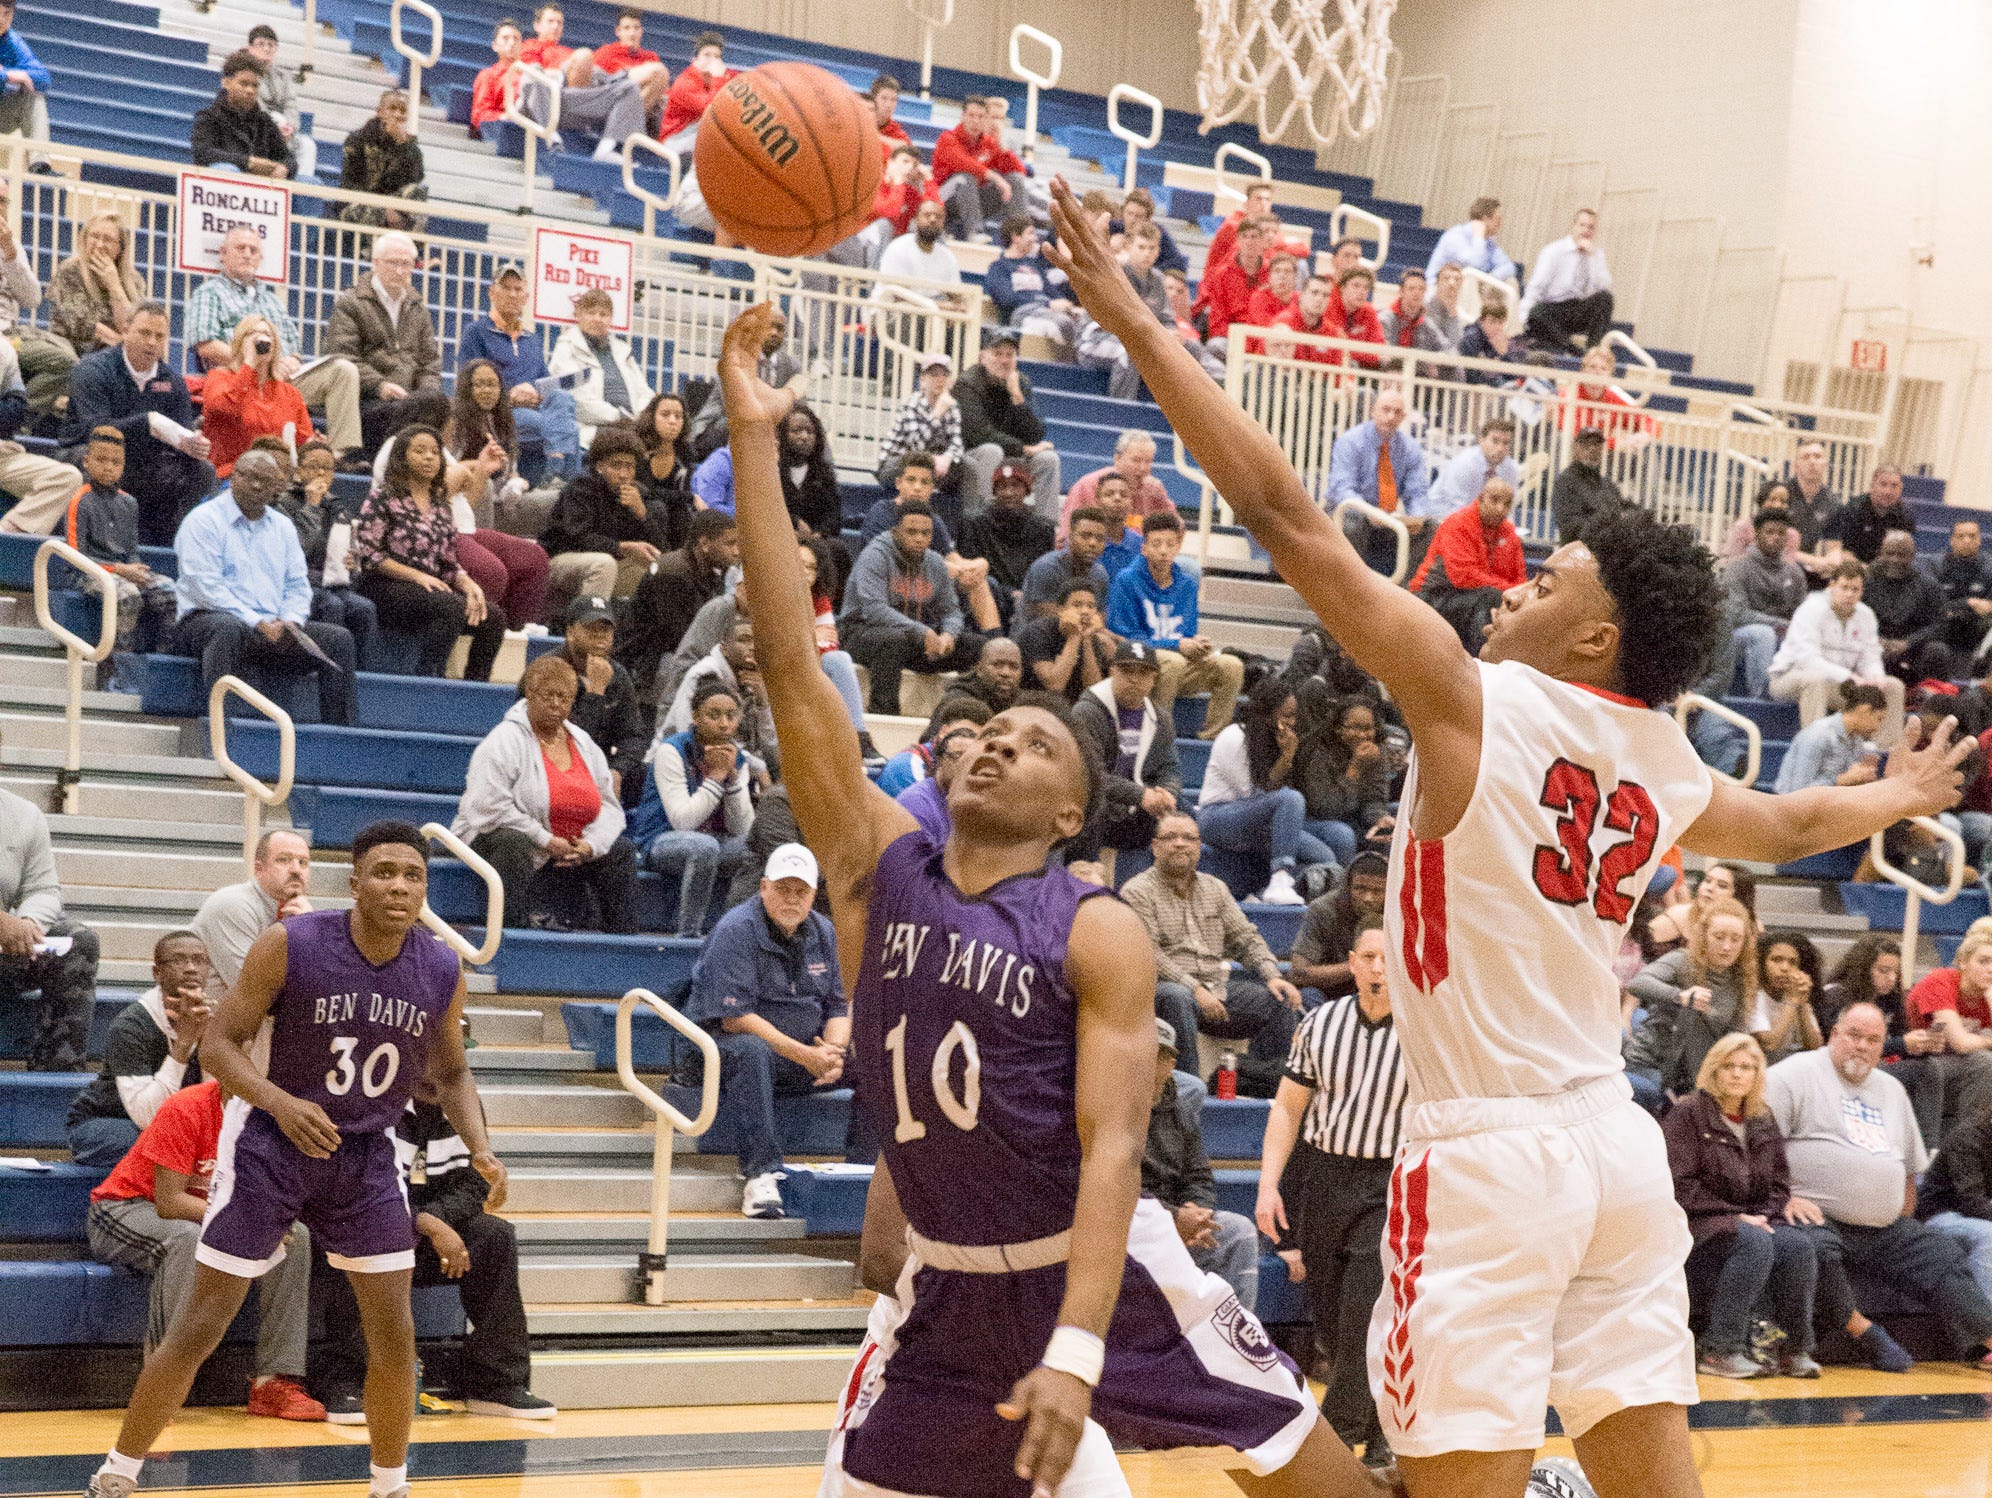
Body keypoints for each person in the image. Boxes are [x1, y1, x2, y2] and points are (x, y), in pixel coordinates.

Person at [1042, 171, 1978, 1495]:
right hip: (1613, 1148)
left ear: (1594, 637)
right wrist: (1895, 796)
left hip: (1488, 1154)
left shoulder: (1469, 696)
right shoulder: (1665, 756)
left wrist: (1142, 324)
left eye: (1552, 582)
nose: (1522, 585)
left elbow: (1287, 519)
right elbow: (1786, 823)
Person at [720, 305, 1383, 1498]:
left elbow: (1114, 1141)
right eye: (984, 734)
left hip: (1103, 1276)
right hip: (947, 1289)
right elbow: (789, 665)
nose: (992, 744)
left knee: (1316, 1479)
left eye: (1031, 742)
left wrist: (1077, 1347)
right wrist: (754, 441)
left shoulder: (1095, 926)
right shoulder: (882, 875)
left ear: (1072, 810)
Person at [85, 821, 506, 1498]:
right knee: (201, 1322)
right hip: (269, 1145)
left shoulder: (440, 967)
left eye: (413, 875)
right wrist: (281, 1103)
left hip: (365, 1154)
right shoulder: (292, 943)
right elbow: (219, 1045)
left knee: (394, 1332)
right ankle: (117, 1471)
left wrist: (482, 1148)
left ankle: (390, 1485)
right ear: (355, 882)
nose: (399, 886)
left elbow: (452, 1072)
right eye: (384, 872)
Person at [1767, 1003, 1992, 1376]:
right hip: (1816, 1213)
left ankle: (1986, 1341)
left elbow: (1908, 1170)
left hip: (1884, 1226)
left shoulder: (1891, 1089)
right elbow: (1758, 1147)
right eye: (1854, 1035)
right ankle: (1868, 1335)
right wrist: (1784, 1197)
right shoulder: (1793, 1074)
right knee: (1813, 1248)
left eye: (1873, 1040)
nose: (1862, 1046)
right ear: (1834, 1034)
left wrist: (1898, 1214)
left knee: (1941, 1255)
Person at [312, 1077, 551, 1420]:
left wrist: (435, 1219)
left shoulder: (464, 1109)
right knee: (360, 1235)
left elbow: (474, 1186)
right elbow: (357, 1187)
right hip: (368, 1223)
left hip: (430, 1240)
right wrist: (426, 1223)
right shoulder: (374, 1103)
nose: (440, 1070)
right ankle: (346, 1381)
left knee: (494, 1236)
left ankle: (495, 1384)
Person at [86, 1080, 326, 1422]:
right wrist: (246, 1219)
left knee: (294, 1236)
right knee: (186, 1240)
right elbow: (169, 1203)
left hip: (206, 1217)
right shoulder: (187, 1107)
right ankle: (158, 1385)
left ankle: (275, 1382)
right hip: (127, 1207)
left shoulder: (274, 1117)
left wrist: (267, 1221)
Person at [1257, 921, 1407, 1464]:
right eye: (1367, 957)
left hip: (1390, 1180)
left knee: (1364, 1309)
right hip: (1324, 1176)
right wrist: (1268, 1184)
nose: (1377, 968)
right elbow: (1287, 1108)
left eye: (1387, 958)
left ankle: (1338, 1439)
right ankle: (1386, 1431)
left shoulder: (1424, 1030)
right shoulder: (1320, 1023)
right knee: (1329, 1317)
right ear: (1351, 962)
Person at [685, 843, 849, 1216]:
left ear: (813, 895)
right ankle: (760, 1176)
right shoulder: (736, 928)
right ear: (763, 887)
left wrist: (833, 1053)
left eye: (801, 891)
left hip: (803, 1056)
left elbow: (838, 1006)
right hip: (724, 1051)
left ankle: (866, 1170)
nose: (792, 898)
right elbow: (735, 1018)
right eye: (782, 888)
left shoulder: (824, 931)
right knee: (751, 1050)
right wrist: (806, 1055)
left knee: (877, 1058)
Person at [1659, 1033, 1818, 1378]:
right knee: (1754, 1242)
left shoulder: (1763, 1117)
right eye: (1728, 1066)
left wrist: (1762, 1215)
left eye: (1746, 1067)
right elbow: (1677, 1185)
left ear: (1757, 1074)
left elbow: (1779, 1184)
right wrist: (1735, 1216)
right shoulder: (1689, 1113)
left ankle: (1793, 1350)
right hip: (1698, 1221)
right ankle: (1719, 1350)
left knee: (1798, 1246)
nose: (1737, 1074)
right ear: (1713, 1070)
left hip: (1751, 1221)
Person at [453, 657, 638, 934]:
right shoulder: (503, 740)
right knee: (511, 843)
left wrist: (590, 846)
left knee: (620, 849)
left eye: (564, 697)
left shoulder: (584, 743)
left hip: (571, 847)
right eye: (547, 695)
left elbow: (610, 807)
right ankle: (512, 935)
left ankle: (623, 942)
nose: (556, 704)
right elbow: (487, 806)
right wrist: (545, 839)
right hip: (499, 838)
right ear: (529, 694)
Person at [171, 452, 357, 727]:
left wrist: (290, 620)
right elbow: (204, 586)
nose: (257, 485)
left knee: (338, 640)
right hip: (207, 620)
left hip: (273, 626)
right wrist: (256, 621)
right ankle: (220, 730)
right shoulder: (203, 520)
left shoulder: (283, 526)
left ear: (277, 487)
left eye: (265, 480)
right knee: (227, 628)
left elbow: (297, 584)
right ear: (234, 477)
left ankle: (340, 736)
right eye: (249, 477)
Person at [1124, 808, 1305, 1089]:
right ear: (1155, 846)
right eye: (1171, 837)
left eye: (1189, 838)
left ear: (1199, 847)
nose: (1180, 843)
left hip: (1217, 988)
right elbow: (1150, 955)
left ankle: (1266, 1086)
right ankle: (1187, 1090)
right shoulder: (1136, 891)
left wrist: (1272, 975)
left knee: (1280, 1000)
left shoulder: (1215, 888)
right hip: (1163, 993)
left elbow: (1246, 937)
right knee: (1177, 997)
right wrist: (1195, 989)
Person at [185, 229, 364, 472]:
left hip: (280, 380)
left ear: (260, 257)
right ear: (223, 254)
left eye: (253, 250)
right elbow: (205, 344)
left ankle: (335, 455)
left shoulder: (272, 300)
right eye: (240, 248)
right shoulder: (209, 293)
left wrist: (289, 361)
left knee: (343, 370)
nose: (248, 254)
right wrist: (252, 359)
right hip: (237, 379)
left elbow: (295, 348)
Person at [350, 427, 508, 681]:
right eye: (420, 451)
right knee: (449, 606)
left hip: (430, 589)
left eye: (435, 452)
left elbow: (448, 562)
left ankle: (475, 685)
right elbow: (370, 555)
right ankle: (430, 678)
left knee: (493, 617)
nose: (429, 457)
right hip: (385, 585)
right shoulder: (382, 497)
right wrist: (417, 576)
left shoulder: (441, 505)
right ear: (402, 457)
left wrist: (468, 584)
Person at [60, 302, 213, 545]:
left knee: (202, 469)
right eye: (144, 333)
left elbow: (182, 435)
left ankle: (171, 544)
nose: (152, 342)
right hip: (87, 452)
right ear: (125, 331)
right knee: (102, 460)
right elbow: (95, 431)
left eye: (159, 336)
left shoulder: (172, 382)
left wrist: (194, 444)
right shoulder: (92, 369)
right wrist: (148, 423)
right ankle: (98, 546)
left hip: (142, 462)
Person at [1145, 1017, 1261, 1310]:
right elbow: (1117, 1188)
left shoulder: (1180, 1111)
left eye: (1157, 1056)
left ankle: (1236, 1332)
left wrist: (1197, 1213)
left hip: (1177, 1218)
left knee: (1238, 1231)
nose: (1146, 1063)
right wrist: (1174, 1218)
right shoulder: (1111, 1109)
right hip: (1132, 1222)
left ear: (1170, 1064)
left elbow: (1198, 1175)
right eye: (1141, 1051)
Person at [66, 932, 211, 1167]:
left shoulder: (212, 1020)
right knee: (165, 1145)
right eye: (178, 960)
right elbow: (147, 1117)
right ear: (157, 973)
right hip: (107, 1122)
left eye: (199, 960)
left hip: (174, 1126)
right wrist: (183, 1044)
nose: (191, 968)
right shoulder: (131, 1025)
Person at [632, 679, 756, 938]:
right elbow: (682, 821)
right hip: (661, 841)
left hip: (716, 841)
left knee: (760, 846)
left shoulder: (737, 757)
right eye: (714, 715)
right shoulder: (672, 751)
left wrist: (733, 782)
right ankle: (688, 934)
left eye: (730, 716)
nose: (724, 723)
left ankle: (736, 933)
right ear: (696, 717)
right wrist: (716, 778)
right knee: (703, 847)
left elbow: (742, 828)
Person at [1198, 678, 1339, 904]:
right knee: (1291, 799)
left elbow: (1278, 796)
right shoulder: (1234, 736)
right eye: (1286, 715)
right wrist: (1285, 758)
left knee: (1325, 855)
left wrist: (1287, 755)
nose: (1292, 722)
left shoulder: (1278, 740)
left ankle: (1264, 893)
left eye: (1294, 716)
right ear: (1267, 713)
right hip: (1219, 817)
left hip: (1261, 823)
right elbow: (1254, 794)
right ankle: (1280, 878)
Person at [1106, 510, 1244, 738]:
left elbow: (1187, 633)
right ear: (1144, 548)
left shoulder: (1187, 585)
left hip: (1178, 663)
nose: (1163, 551)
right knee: (1174, 661)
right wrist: (1176, 644)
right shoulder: (1126, 581)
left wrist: (1197, 644)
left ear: (1178, 547)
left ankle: (1211, 738)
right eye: (1156, 544)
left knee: (1231, 665)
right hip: (1140, 664)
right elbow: (1126, 638)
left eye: (1170, 544)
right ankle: (1157, 735)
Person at [840, 501, 983, 714]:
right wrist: (923, 631)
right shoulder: (875, 555)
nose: (919, 538)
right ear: (895, 532)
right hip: (859, 632)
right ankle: (884, 715)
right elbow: (874, 610)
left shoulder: (935, 562)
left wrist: (948, 635)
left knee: (978, 646)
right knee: (892, 641)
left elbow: (951, 611)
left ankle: (963, 714)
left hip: (912, 638)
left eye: (926, 533)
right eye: (912, 532)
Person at [1623, 897, 1757, 1114]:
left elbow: (1735, 1039)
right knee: (1653, 1095)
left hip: (1694, 1078)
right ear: (1704, 936)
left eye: (1736, 939)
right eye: (1719, 937)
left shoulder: (1743, 981)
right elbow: (1638, 984)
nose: (1726, 947)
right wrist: (1680, 996)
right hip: (1649, 1064)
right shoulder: (1682, 960)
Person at [456, 265, 582, 486]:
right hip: (501, 411)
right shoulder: (476, 332)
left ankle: (560, 474)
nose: (512, 294)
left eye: (518, 289)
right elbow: (468, 383)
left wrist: (536, 393)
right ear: (492, 293)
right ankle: (566, 479)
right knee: (565, 429)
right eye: (506, 288)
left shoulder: (531, 339)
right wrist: (510, 396)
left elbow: (544, 381)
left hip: (534, 407)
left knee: (563, 399)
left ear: (526, 297)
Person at [61, 426, 178, 660]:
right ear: (86, 461)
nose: (108, 467)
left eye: (116, 462)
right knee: (127, 594)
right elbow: (76, 558)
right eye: (101, 460)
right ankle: (119, 660)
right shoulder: (79, 501)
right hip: (86, 573)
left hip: (122, 571)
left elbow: (131, 550)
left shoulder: (129, 503)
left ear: (123, 465)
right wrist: (119, 570)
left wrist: (136, 569)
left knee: (168, 590)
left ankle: (162, 659)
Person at [325, 233, 442, 457]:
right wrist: (380, 385)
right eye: (392, 263)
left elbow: (430, 363)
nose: (399, 271)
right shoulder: (351, 303)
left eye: (406, 264)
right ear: (376, 263)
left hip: (409, 399)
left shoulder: (419, 309)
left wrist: (426, 393)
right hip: (369, 397)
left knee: (440, 405)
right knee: (397, 413)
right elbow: (342, 355)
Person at [1065, 640, 1178, 860]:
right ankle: (1081, 874)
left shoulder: (1161, 718)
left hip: (1135, 808)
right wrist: (1141, 795)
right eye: (1127, 671)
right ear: (1112, 672)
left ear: (1154, 678)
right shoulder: (1087, 712)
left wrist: (1167, 793)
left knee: (1182, 815)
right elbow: (1089, 775)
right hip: (1099, 805)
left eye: (1143, 673)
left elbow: (1169, 767)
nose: (1134, 679)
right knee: (1090, 808)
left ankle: (1168, 880)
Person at [1767, 558, 1906, 731]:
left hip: (1839, 684)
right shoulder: (1811, 609)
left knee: (1892, 686)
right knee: (1815, 680)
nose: (1849, 594)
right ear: (1832, 585)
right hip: (1789, 677)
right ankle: (1815, 740)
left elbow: (1870, 656)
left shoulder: (1866, 615)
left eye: (1855, 589)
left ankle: (1883, 746)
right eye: (1844, 587)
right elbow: (1808, 660)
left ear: (1862, 591)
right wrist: (1848, 676)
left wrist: (1876, 676)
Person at [541, 425, 673, 602]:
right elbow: (578, 537)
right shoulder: (581, 488)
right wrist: (622, 547)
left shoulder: (636, 494)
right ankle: (589, 618)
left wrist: (642, 513)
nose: (623, 474)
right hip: (561, 559)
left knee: (662, 569)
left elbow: (661, 550)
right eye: (616, 466)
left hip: (610, 560)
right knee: (604, 564)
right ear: (599, 466)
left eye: (629, 467)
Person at [620, 507, 737, 694]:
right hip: (649, 661)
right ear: (705, 544)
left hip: (677, 652)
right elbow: (677, 634)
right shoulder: (672, 572)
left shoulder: (714, 569)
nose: (736, 551)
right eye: (729, 544)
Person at [191, 828, 312, 1007]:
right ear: (259, 869)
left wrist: (308, 928)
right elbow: (253, 992)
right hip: (199, 1021)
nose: (296, 870)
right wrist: (307, 933)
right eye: (284, 860)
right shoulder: (233, 904)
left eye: (303, 862)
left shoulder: (298, 910)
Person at [1408, 477, 1526, 651]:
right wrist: (1510, 591)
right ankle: (1484, 658)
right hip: (1431, 596)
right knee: (1492, 598)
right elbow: (1463, 577)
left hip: (1479, 596)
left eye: (1507, 504)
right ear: (1481, 498)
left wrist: (1520, 595)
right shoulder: (1458, 523)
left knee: (1519, 605)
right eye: (1494, 500)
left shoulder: (1509, 532)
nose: (1500, 508)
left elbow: (1520, 578)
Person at [1901, 927, 1992, 1144]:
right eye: (1983, 961)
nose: (1990, 969)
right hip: (1916, 1062)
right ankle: (1967, 1145)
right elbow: (1960, 1043)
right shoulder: (1940, 981)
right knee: (1984, 1061)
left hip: (1957, 1067)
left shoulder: (1988, 995)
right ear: (1962, 962)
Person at [956, 330, 1061, 518]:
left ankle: (1047, 526)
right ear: (982, 357)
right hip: (971, 455)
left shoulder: (1021, 382)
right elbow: (978, 434)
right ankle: (983, 521)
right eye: (997, 354)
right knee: (991, 451)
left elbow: (1036, 433)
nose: (1004, 360)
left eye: (1010, 355)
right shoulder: (967, 384)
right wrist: (1023, 449)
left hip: (1010, 453)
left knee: (1048, 459)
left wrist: (1017, 397)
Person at [197, 316, 316, 481]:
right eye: (252, 334)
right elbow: (226, 408)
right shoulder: (219, 378)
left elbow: (303, 443)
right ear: (240, 343)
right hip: (230, 477)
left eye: (267, 334)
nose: (261, 339)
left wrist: (314, 444)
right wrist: (249, 363)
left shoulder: (290, 393)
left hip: (275, 481)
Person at [1328, 387, 1429, 575]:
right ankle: (1349, 584)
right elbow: (1342, 489)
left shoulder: (1410, 448)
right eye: (1386, 409)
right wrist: (1370, 512)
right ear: (1373, 411)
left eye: (1397, 412)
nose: (1391, 417)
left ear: (1403, 417)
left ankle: (1407, 588)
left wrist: (1417, 517)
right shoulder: (1350, 441)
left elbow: (1417, 492)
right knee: (1353, 524)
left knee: (1429, 528)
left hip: (1388, 519)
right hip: (1351, 513)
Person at [554, 596, 646, 801]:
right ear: (570, 632)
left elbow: (634, 736)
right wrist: (595, 694)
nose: (599, 635)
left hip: (600, 766)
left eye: (605, 629)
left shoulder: (618, 675)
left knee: (643, 773)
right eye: (590, 628)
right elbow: (568, 742)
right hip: (553, 765)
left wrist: (617, 771)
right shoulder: (551, 671)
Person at [1293, 697, 1395, 870]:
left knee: (1396, 816)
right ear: (1338, 728)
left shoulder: (1375, 751)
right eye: (1354, 728)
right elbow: (1327, 809)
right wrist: (1355, 768)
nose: (1362, 735)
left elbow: (1374, 799)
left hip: (1353, 816)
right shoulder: (1318, 752)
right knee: (1342, 834)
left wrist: (1379, 818)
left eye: (1368, 729)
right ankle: (1342, 882)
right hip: (1314, 820)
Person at [548, 289, 654, 450]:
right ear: (578, 315)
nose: (597, 319)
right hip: (590, 428)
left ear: (610, 319)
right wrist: (618, 417)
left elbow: (644, 392)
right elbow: (575, 399)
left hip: (631, 426)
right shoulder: (566, 347)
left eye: (603, 314)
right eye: (591, 313)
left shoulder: (622, 350)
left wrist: (640, 416)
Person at [1724, 507, 1809, 698]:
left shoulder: (1794, 573)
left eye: (1781, 533)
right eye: (1769, 532)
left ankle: (1798, 695)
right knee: (1763, 634)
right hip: (1738, 637)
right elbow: (1737, 615)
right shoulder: (1738, 568)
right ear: (1757, 535)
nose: (1775, 537)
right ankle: (1761, 696)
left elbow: (1803, 615)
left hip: (1781, 634)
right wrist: (1778, 624)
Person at [959, 457, 1055, 622]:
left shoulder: (1043, 528)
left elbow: (1042, 575)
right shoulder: (974, 524)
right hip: (987, 597)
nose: (1009, 493)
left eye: (1015, 486)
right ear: (994, 491)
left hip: (1029, 602)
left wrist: (1025, 595)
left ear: (1027, 489)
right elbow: (970, 570)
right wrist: (1009, 593)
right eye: (1002, 487)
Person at [1287, 852, 1390, 1003]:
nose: (1368, 898)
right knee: (1308, 996)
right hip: (1330, 993)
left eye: (1378, 891)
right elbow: (1300, 972)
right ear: (1347, 887)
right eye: (1360, 888)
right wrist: (1358, 965)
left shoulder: (1400, 912)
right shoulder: (1323, 909)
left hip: (1383, 989)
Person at [48, 211, 144, 368]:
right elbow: (80, 325)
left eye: (108, 239)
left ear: (120, 247)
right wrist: (123, 345)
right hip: (71, 352)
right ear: (84, 239)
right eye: (94, 236)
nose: (99, 244)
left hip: (115, 356)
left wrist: (115, 287)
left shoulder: (135, 280)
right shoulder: (69, 271)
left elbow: (131, 327)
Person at [932, 94, 1027, 241]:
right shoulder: (947, 138)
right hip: (944, 200)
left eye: (981, 116)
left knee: (1015, 180)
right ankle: (975, 232)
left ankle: (1020, 235)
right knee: (965, 177)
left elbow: (1019, 171)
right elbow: (963, 163)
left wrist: (1001, 143)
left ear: (986, 119)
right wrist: (995, 177)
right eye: (971, 115)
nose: (976, 121)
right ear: (963, 116)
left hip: (974, 202)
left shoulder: (989, 143)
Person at [1057, 431, 1176, 543]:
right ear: (1117, 459)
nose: (1143, 468)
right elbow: (1066, 537)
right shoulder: (1088, 486)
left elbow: (1176, 526)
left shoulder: (1154, 489)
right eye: (1136, 460)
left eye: (1148, 461)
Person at [191, 52, 293, 179]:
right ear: (226, 83)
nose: (250, 90)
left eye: (255, 85)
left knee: (306, 180)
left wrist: (284, 168)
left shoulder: (265, 122)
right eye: (243, 84)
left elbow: (288, 158)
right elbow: (203, 153)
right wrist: (247, 162)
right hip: (217, 184)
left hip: (258, 186)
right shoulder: (208, 117)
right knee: (227, 169)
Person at [1522, 209, 1614, 351]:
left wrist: (1593, 258)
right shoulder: (1554, 251)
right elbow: (1536, 286)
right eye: (1582, 225)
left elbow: (1604, 285)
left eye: (1591, 227)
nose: (1586, 231)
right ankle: (1572, 349)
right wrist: (1522, 318)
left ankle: (1593, 350)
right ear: (1574, 226)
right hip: (1553, 308)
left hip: (1577, 308)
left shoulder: (1597, 255)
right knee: (1537, 312)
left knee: (1605, 298)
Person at [1019, 577, 1116, 706]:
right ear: (1060, 610)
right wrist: (1074, 636)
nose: (1085, 611)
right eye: (1077, 605)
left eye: (1090, 606)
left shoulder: (1091, 638)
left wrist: (1086, 641)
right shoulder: (1038, 632)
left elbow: (1094, 693)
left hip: (1071, 708)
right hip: (1034, 704)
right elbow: (1055, 686)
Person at [1773, 683, 1886, 794]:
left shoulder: (1857, 740)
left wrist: (1861, 777)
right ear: (1864, 710)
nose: (1877, 728)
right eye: (1879, 719)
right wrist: (1841, 781)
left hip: (1830, 801)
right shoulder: (1818, 735)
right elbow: (1798, 791)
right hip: (1790, 803)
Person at [337, 91, 426, 229]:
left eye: (402, 111)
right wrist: (382, 204)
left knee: (417, 192)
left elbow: (414, 180)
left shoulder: (410, 147)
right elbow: (349, 183)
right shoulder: (358, 139)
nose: (397, 115)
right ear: (379, 112)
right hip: (356, 204)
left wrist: (403, 146)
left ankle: (405, 240)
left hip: (393, 206)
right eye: (392, 108)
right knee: (389, 213)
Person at [877, 352, 964, 492]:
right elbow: (917, 445)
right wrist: (936, 415)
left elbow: (957, 442)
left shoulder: (952, 406)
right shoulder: (911, 404)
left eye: (945, 375)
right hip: (897, 463)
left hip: (931, 464)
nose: (940, 379)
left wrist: (948, 457)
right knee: (918, 468)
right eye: (934, 375)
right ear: (923, 380)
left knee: (966, 466)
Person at [986, 216, 1077, 348]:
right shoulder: (999, 267)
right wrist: (1047, 304)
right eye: (1030, 233)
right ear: (1015, 237)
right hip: (1021, 316)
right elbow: (1007, 299)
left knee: (1079, 324)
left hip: (1047, 313)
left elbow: (1051, 291)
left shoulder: (1034, 266)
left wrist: (1064, 303)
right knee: (1061, 324)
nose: (1035, 238)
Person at [1867, 530, 1946, 679]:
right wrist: (1876, 639)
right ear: (1881, 554)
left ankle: (1930, 690)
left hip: (1912, 647)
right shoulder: (1866, 582)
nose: (1895, 560)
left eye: (1901, 555)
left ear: (1912, 556)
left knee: (1937, 651)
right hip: (1873, 644)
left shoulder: (1929, 586)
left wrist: (1908, 642)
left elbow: (1939, 625)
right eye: (1890, 553)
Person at [1019, 506, 1112, 632]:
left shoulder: (1100, 575)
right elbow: (1051, 621)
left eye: (1100, 539)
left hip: (1084, 635)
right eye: (1085, 536)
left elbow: (1099, 621)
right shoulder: (1046, 568)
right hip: (1039, 636)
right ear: (1071, 537)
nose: (1093, 543)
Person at [1192, 214, 1273, 355]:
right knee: (1215, 345)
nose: (1249, 242)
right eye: (1244, 236)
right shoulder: (1222, 274)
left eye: (1254, 237)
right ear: (1238, 240)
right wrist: (1239, 343)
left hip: (1261, 339)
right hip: (1230, 339)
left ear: (1262, 241)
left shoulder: (1272, 273)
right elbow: (1218, 320)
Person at [245, 24, 315, 181]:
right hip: (257, 128)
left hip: (284, 130)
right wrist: (276, 127)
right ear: (250, 48)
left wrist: (290, 127)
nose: (266, 49)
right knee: (278, 118)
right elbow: (255, 105)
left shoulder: (283, 76)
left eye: (271, 45)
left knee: (307, 145)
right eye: (261, 44)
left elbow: (291, 104)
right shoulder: (245, 73)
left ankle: (302, 188)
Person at [1420, 418, 1520, 526]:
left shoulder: (1510, 469)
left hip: (1477, 522)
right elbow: (1459, 510)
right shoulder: (1465, 464)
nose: (1500, 448)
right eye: (1495, 441)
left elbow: (1508, 510)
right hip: (1440, 520)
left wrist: (1509, 531)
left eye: (1506, 443)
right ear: (1482, 440)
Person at [1749, 932, 1824, 1067]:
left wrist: (1801, 1005)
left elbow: (1815, 1047)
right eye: (1776, 960)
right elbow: (1769, 1044)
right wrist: (1792, 1001)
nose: (1785, 968)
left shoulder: (1795, 995)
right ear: (1762, 963)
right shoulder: (1753, 997)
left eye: (1792, 962)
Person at [1552, 429, 1624, 546]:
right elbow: (1569, 525)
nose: (1592, 449)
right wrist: (1604, 524)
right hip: (1578, 550)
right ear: (1576, 448)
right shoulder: (1565, 481)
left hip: (1607, 550)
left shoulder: (1608, 484)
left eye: (1597, 444)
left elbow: (1624, 508)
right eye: (1586, 444)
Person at [1784, 439, 1844, 582]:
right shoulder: (1781, 494)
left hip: (1809, 566)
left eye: (1817, 456)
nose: (1812, 462)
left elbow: (1833, 546)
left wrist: (1832, 563)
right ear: (1795, 465)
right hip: (1778, 563)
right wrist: (1815, 561)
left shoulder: (1833, 502)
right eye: (1806, 457)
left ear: (1825, 465)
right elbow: (1778, 547)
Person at [1424, 196, 1516, 286]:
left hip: (1464, 288)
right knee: (1470, 277)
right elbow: (1474, 265)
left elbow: (1509, 267)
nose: (1500, 223)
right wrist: (1479, 237)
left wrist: (1489, 278)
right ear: (1485, 219)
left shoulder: (1489, 242)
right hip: (1438, 287)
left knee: (1511, 281)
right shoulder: (1455, 235)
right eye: (1498, 219)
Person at [1830, 465, 1912, 567]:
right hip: (1855, 569)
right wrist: (1869, 570)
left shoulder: (1905, 515)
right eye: (1883, 484)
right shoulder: (1854, 510)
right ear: (1872, 486)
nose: (1888, 491)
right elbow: (1843, 553)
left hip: (1888, 570)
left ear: (1901, 489)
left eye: (1894, 486)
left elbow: (1904, 555)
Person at [0, 0, 48, 165]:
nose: (1, 20)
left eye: (7, 14)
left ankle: (39, 164)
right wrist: (7, 75)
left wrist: (13, 74)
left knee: (33, 96)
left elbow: (43, 78)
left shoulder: (12, 41)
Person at [1378, 267, 1448, 356]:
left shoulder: (1427, 323)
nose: (1417, 293)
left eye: (1421, 289)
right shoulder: (1384, 320)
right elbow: (1383, 354)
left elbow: (1447, 348)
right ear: (1401, 292)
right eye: (1411, 288)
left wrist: (1440, 357)